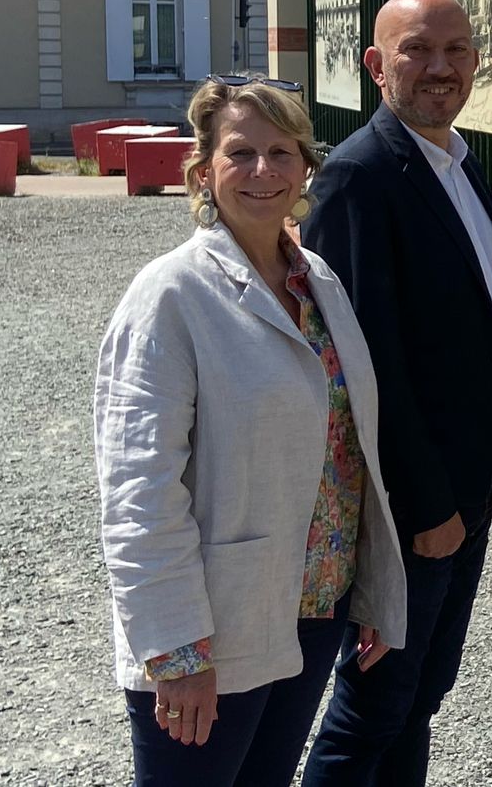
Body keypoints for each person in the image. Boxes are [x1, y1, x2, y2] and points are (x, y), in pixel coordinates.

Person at [94, 77, 408, 787]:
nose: (262, 170)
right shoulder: (170, 294)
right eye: (240, 153)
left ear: (305, 167)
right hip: (218, 624)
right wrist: (176, 649)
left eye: (281, 152)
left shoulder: (316, 282)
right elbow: (138, 490)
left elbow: (347, 453)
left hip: (313, 606)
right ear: (204, 172)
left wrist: (371, 589)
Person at [301, 0, 492, 786]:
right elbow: (366, 362)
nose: (440, 67)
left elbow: (491, 317)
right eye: (417, 50)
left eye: (456, 50)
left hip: (469, 487)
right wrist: (424, 509)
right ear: (376, 65)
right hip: (415, 507)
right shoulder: (360, 177)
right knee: (372, 708)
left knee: (419, 698)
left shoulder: (454, 159)